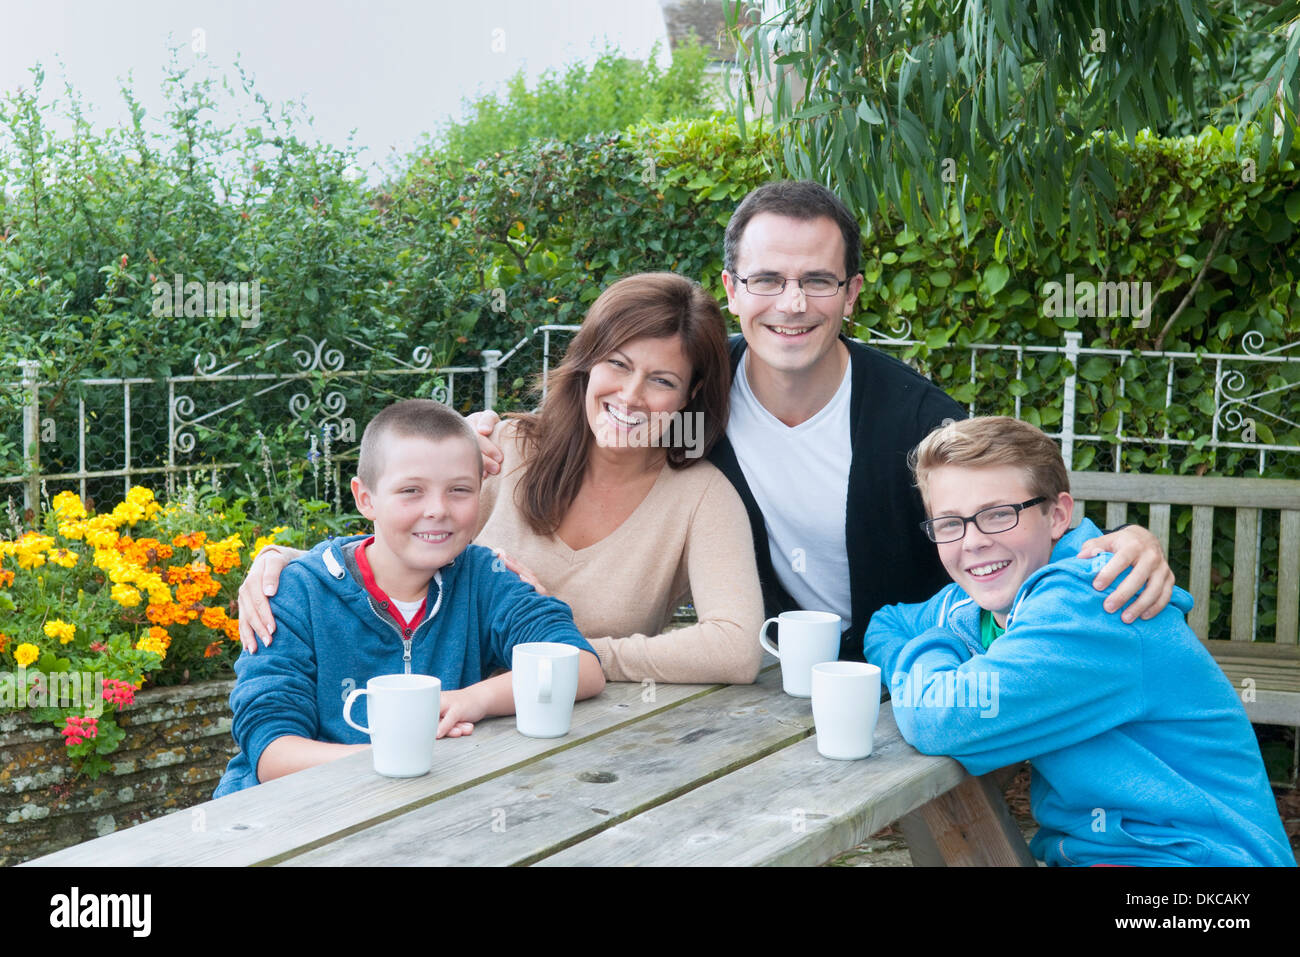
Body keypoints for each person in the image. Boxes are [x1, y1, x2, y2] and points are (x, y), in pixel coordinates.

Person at [474, 181, 1175, 662]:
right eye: (768, 280)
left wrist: (1113, 540)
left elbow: (1005, 501)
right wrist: (480, 438)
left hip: (915, 660)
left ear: (852, 294)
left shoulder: (914, 417)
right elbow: (606, 409)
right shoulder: (696, 395)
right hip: (788, 663)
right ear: (732, 289)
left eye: (817, 281)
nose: (792, 304)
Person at [236, 273, 765, 685]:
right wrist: (294, 565)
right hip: (440, 725)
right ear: (587, 362)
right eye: (618, 365)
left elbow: (735, 649)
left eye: (662, 380)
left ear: (691, 395)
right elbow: (403, 538)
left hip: (583, 734)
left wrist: (568, 657)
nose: (630, 396)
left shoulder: (700, 497)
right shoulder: (506, 449)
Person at [865, 416, 1294, 866]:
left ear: (1058, 515)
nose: (973, 542)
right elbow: (888, 624)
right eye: (950, 523)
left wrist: (937, 656)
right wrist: (943, 645)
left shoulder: (1091, 602)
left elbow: (940, 719)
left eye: (998, 514)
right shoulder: (973, 604)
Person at [213, 400, 604, 797]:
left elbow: (583, 668)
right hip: (286, 820)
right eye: (411, 491)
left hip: (420, 811)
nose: (437, 510)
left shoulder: (486, 578)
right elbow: (271, 751)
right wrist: (389, 760)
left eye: (459, 490)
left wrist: (475, 699)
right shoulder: (296, 594)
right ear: (365, 499)